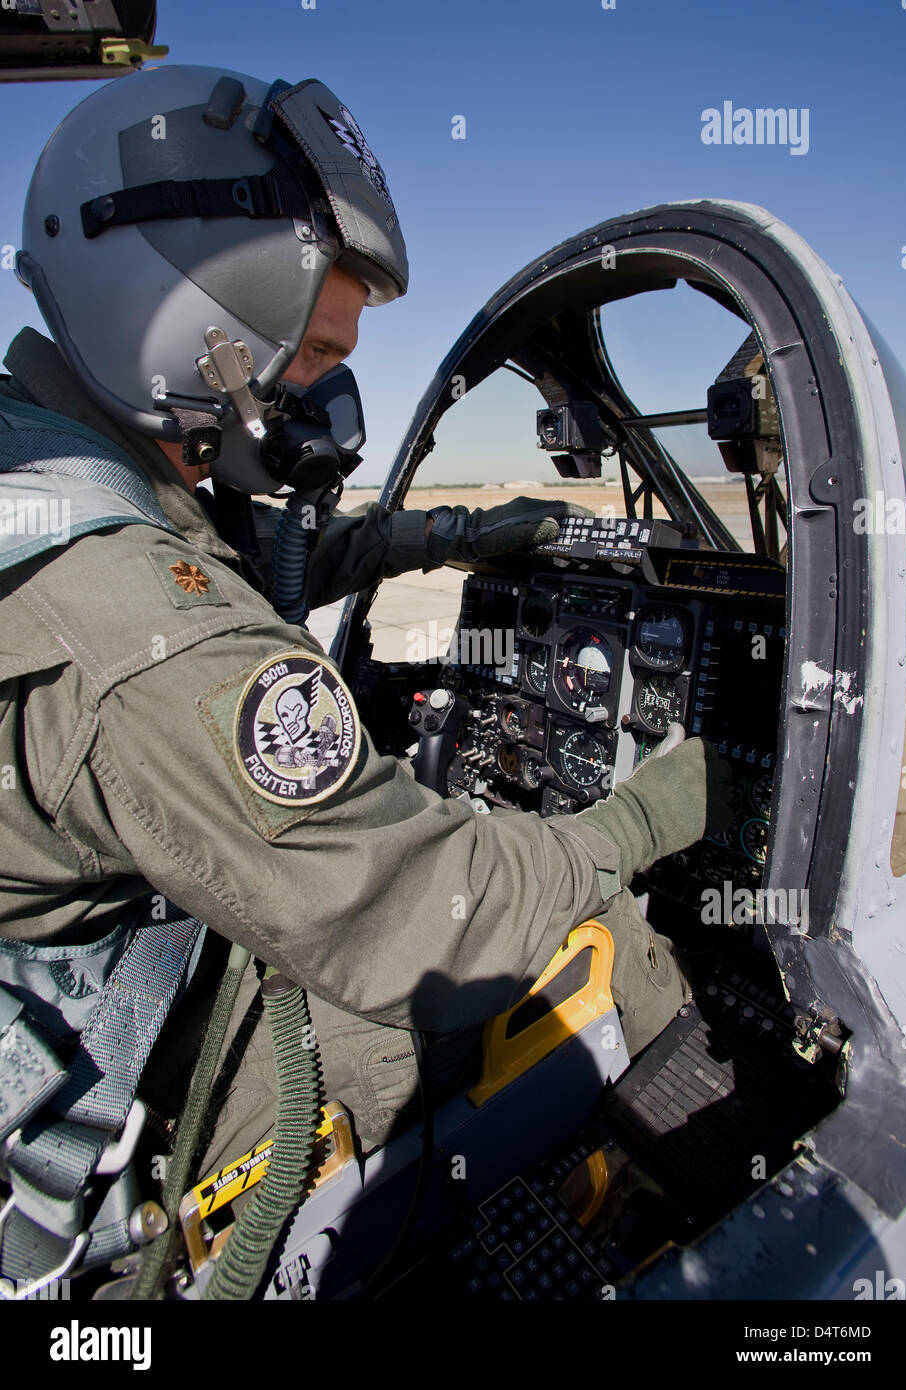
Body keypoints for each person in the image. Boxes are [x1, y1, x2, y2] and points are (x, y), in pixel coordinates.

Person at [0, 64, 730, 1293]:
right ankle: (684, 1208)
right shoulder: (144, 632)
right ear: (200, 336)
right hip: (80, 1066)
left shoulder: (54, 475)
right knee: (590, 939)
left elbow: (238, 567)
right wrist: (640, 820)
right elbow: (418, 905)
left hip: (73, 958)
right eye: (315, 353)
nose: (323, 398)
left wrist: (452, 534)